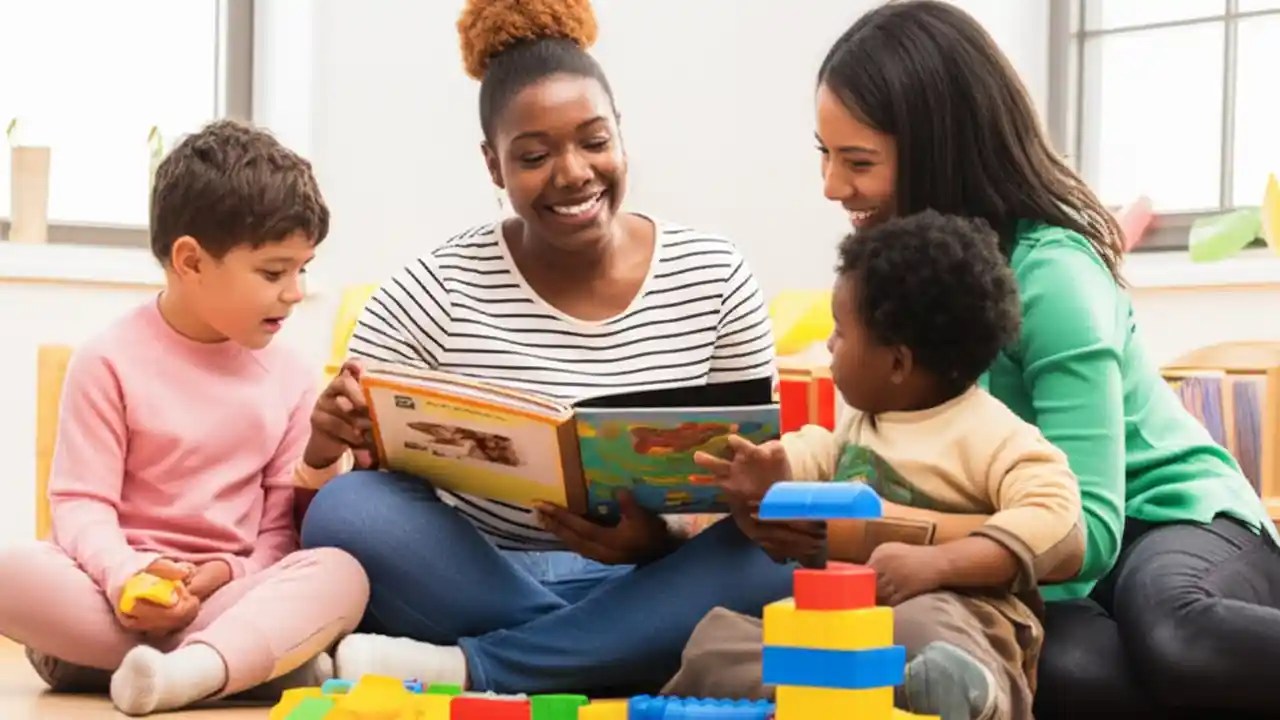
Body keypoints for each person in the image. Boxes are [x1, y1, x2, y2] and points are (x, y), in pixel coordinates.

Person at [756, 1, 1280, 717]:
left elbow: (1089, 527)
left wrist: (883, 533)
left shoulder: (1052, 274)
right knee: (1065, 674)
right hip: (1032, 557)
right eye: (824, 153)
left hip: (1160, 518)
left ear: (938, 148)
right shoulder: (897, 284)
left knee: (1177, 635)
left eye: (858, 161)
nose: (831, 186)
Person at [294, 0, 793, 696]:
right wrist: (325, 447)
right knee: (347, 510)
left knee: (787, 549)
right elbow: (321, 499)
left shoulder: (715, 275)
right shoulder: (429, 290)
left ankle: (481, 667)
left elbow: (745, 485)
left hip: (660, 571)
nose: (573, 173)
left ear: (622, 135)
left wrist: (659, 542)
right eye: (534, 156)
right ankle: (621, 650)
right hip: (478, 571)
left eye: (594, 141)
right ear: (494, 166)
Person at [0, 120, 370, 716]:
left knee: (340, 572)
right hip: (110, 594)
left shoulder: (294, 378)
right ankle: (233, 664)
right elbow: (80, 505)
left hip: (227, 594)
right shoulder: (107, 360)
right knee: (11, 570)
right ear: (191, 261)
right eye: (274, 272)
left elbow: (279, 535)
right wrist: (128, 577)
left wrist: (228, 570)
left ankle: (174, 670)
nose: (296, 292)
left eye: (303, 269)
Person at [663, 211, 1086, 720]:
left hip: (959, 612)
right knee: (715, 639)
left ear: (897, 364)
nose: (829, 344)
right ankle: (848, 699)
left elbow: (1059, 520)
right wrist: (777, 467)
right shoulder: (865, 418)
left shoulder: (991, 433)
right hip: (846, 621)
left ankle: (969, 701)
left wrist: (939, 565)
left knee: (923, 628)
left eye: (841, 332)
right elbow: (822, 452)